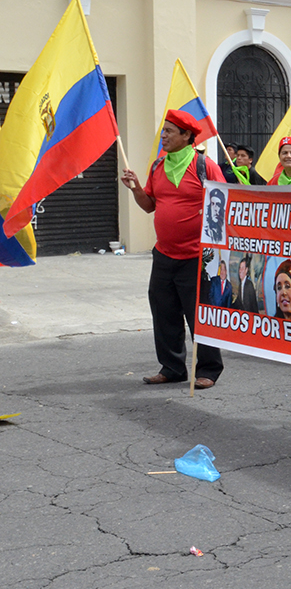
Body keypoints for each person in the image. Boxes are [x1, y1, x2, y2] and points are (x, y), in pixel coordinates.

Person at [120, 109, 225, 390]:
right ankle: (172, 367)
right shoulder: (157, 167)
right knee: (164, 311)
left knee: (200, 315)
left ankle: (209, 369)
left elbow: (223, 205)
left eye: (168, 131)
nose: (163, 136)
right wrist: (135, 189)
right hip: (164, 254)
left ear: (186, 135)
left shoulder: (205, 166)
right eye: (163, 131)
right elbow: (149, 205)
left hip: (197, 257)